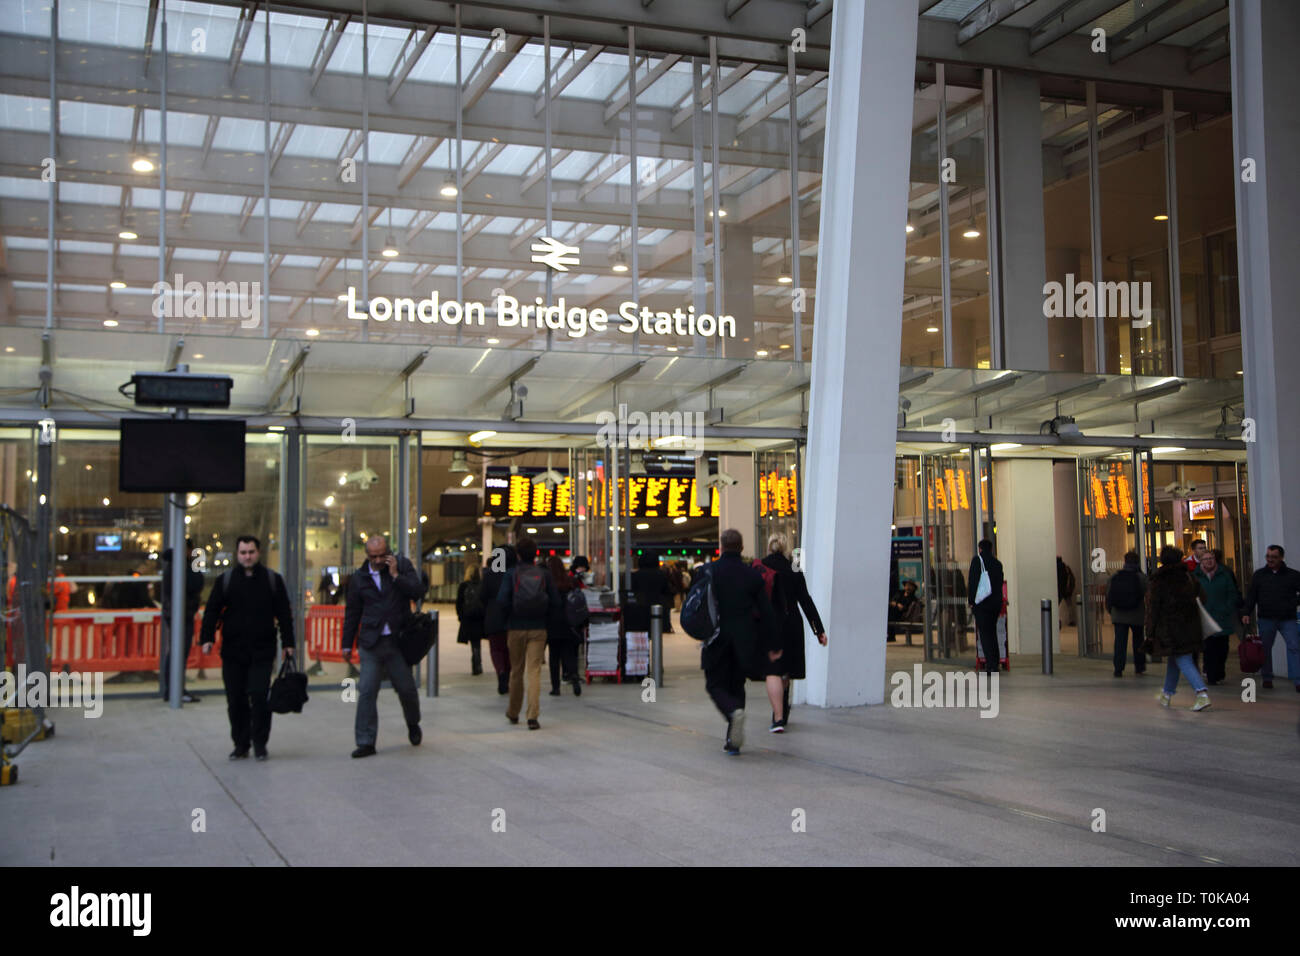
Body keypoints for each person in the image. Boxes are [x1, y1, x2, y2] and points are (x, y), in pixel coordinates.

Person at [199, 535, 295, 761]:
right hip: (233, 651)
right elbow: (212, 610)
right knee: (235, 699)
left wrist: (288, 643)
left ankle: (260, 743)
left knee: (260, 696)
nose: (247, 556)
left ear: (258, 553)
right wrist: (207, 638)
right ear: (237, 554)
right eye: (243, 553)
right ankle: (241, 744)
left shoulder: (273, 580)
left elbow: (283, 614)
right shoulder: (227, 580)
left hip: (262, 650)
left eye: (251, 552)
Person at [340, 536, 424, 758]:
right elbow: (352, 613)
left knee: (406, 689)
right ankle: (366, 741)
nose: (377, 560)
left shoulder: (402, 566)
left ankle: (413, 724)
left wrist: (396, 576)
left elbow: (417, 591)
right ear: (367, 555)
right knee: (367, 690)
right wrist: (346, 644)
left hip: (397, 641)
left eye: (381, 555)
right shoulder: (359, 578)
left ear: (389, 552)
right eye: (372, 556)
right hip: (371, 642)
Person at [703, 529, 779, 756]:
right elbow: (767, 612)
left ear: (721, 546)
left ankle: (732, 713)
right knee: (737, 685)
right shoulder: (753, 576)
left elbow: (697, 606)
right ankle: (732, 742)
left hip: (716, 638)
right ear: (742, 548)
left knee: (714, 684)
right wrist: (774, 645)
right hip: (745, 640)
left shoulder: (710, 572)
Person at [759, 533, 827, 733]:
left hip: (769, 623)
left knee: (773, 669)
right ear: (786, 547)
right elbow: (805, 600)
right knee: (786, 668)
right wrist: (819, 630)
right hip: (791, 623)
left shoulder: (761, 566)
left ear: (769, 545)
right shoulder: (794, 568)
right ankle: (783, 709)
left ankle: (778, 716)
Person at [493, 535, 560, 730]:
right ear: (535, 554)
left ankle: (513, 712)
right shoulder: (544, 574)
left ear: (518, 555)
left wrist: (509, 617)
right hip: (538, 628)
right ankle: (532, 716)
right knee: (534, 671)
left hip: (515, 627)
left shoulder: (511, 574)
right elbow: (556, 602)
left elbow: (502, 601)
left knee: (516, 671)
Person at [1147, 545, 1211, 711]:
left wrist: (1150, 631)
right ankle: (1167, 693)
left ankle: (1201, 693)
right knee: (1175, 659)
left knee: (1183, 659)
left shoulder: (1159, 580)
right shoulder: (1188, 577)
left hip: (1170, 628)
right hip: (1191, 626)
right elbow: (1202, 598)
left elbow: (1153, 608)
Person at [1240, 544, 1300, 692]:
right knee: (1265, 649)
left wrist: (1294, 603)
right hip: (1266, 618)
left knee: (1294, 647)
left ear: (1281, 558)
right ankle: (1267, 678)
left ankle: (1298, 679)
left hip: (1288, 618)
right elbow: (1251, 595)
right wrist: (1246, 612)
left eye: (1274, 557)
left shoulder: (1293, 575)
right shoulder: (1259, 575)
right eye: (1268, 556)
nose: (1270, 560)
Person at [160, 539, 206, 703]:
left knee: (175, 652)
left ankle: (172, 688)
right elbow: (197, 583)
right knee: (178, 652)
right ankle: (175, 689)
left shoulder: (173, 565)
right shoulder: (181, 567)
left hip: (177, 613)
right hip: (181, 614)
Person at [1194, 548, 1241, 686]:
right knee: (1209, 648)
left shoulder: (1224, 575)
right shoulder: (1196, 576)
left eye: (1211, 559)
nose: (1209, 561)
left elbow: (1232, 594)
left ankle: (1220, 672)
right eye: (1206, 559)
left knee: (1222, 648)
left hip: (1222, 617)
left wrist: (1227, 608)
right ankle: (1211, 674)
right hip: (1205, 617)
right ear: (1201, 562)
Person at [481, 546, 518, 695]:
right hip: (512, 617)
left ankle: (501, 672)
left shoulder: (490, 575)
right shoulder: (515, 574)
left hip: (493, 617)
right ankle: (507, 674)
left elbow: (481, 596)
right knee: (509, 649)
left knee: (496, 649)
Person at [1106, 550, 1148, 678]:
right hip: (1137, 614)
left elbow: (1108, 596)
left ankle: (1118, 668)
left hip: (1119, 615)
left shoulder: (1114, 577)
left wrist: (1111, 611)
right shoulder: (1142, 578)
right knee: (1138, 641)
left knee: (1120, 642)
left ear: (1125, 561)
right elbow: (1148, 595)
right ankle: (1139, 667)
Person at [546, 555, 581, 697]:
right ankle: (574, 677)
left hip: (553, 623)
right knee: (568, 653)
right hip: (569, 622)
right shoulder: (570, 581)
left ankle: (555, 687)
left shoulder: (548, 583)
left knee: (554, 656)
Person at [969, 540, 1004, 675]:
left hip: (982, 604)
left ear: (980, 549)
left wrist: (971, 600)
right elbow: (1000, 583)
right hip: (995, 604)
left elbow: (972, 582)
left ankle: (990, 665)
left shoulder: (977, 561)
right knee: (992, 632)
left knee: (984, 634)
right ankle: (995, 661)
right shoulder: (997, 563)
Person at [455, 563, 485, 676]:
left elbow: (459, 603)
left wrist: (460, 616)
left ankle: (476, 663)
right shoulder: (482, 585)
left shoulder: (463, 586)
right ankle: (478, 663)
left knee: (474, 641)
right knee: (477, 641)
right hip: (480, 617)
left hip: (468, 617)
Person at [1056, 556, 1076, 628]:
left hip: (1060, 589)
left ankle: (1057, 621)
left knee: (1056, 606)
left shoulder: (1056, 568)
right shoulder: (1066, 567)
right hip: (1067, 590)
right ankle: (1071, 620)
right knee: (1069, 606)